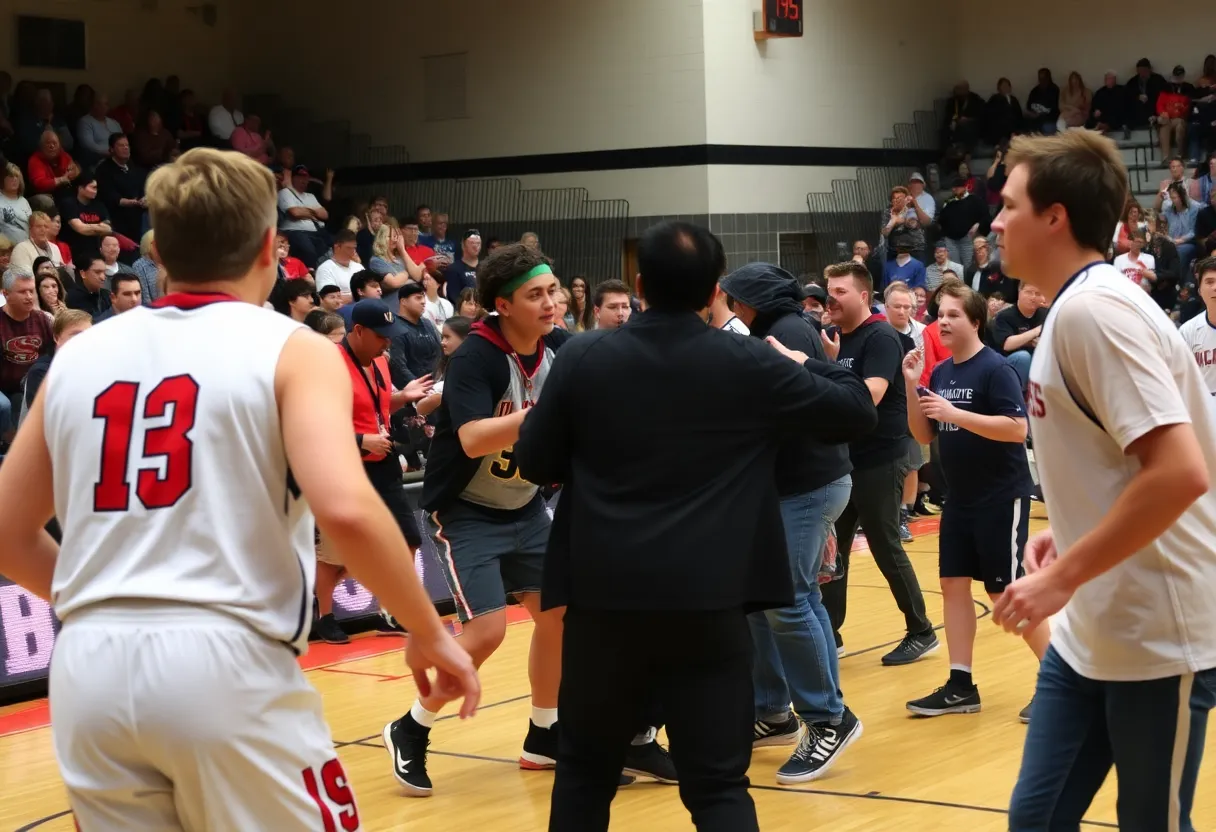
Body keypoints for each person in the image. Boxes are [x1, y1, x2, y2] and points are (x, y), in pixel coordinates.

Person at [0, 147, 479, 830]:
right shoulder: (294, 347)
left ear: (155, 248)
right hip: (224, 660)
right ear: (267, 246)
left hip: (88, 671)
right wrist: (429, 630)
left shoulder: (79, 352)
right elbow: (344, 508)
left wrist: (106, 605)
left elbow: (6, 531)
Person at [516, 221, 877, 832]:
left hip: (606, 601)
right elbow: (856, 412)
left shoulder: (582, 355)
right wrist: (809, 361)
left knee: (584, 776)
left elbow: (536, 462)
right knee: (717, 788)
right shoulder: (745, 361)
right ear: (715, 291)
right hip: (708, 604)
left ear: (639, 285)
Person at [382, 243, 673, 796]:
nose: (551, 303)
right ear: (502, 305)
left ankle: (544, 734)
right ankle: (410, 728)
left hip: (526, 507)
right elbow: (469, 439)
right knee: (487, 631)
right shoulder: (477, 356)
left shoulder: (560, 347)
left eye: (553, 292)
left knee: (561, 618)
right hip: (463, 512)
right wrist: (543, 415)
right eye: (535, 295)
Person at [989, 130, 1216, 832]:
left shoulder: (1097, 312)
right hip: (1092, 630)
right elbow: (1140, 458)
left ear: (1055, 217)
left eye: (1009, 204)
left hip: (1159, 631)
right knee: (1036, 819)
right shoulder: (1082, 305)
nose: (994, 221)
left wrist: (1062, 576)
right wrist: (1078, 524)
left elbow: (1181, 472)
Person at [718, 262, 863, 784]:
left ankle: (828, 718)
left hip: (807, 483)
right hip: (795, 483)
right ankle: (774, 710)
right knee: (770, 600)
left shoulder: (782, 334)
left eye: (735, 297)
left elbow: (785, 409)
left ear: (750, 301)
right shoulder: (780, 329)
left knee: (788, 599)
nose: (730, 305)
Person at [903, 282, 1044, 723]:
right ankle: (960, 685)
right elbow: (924, 435)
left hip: (1000, 497)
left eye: (953, 315)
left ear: (976, 321)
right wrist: (912, 386)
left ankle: (1064, 684)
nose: (943, 321)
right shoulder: (942, 373)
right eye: (939, 314)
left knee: (1005, 591)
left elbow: (1017, 429)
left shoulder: (995, 369)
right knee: (952, 585)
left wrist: (956, 414)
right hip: (961, 501)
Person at [819, 261, 936, 664]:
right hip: (847, 460)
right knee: (832, 552)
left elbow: (868, 395)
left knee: (886, 545)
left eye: (840, 292)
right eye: (828, 290)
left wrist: (816, 368)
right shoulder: (837, 338)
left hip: (879, 458)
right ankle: (830, 633)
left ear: (864, 296)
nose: (830, 298)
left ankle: (921, 630)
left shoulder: (881, 336)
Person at [1178, 257, 1216, 399]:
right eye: (1209, 282)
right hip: (1206, 411)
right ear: (1199, 290)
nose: (1215, 287)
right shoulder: (1187, 331)